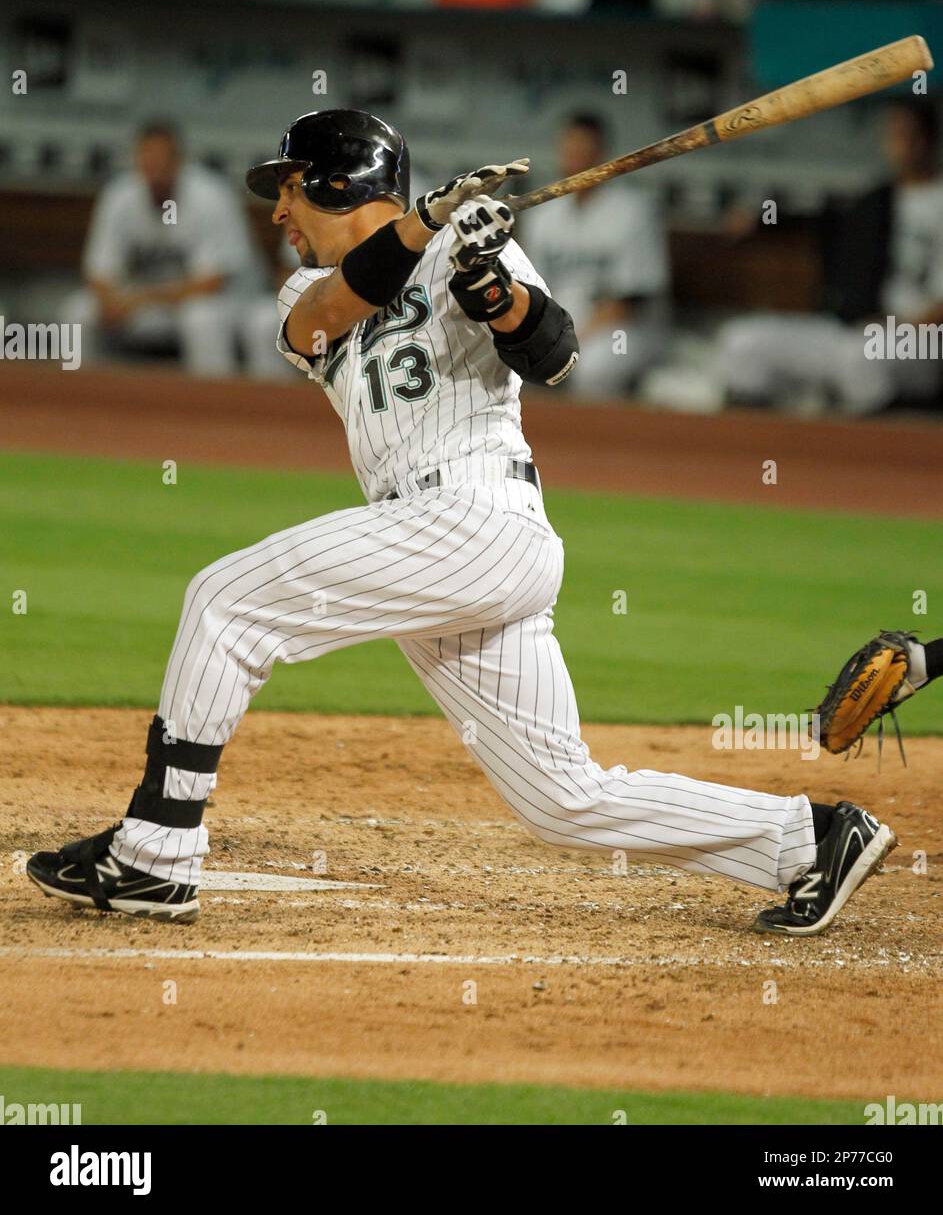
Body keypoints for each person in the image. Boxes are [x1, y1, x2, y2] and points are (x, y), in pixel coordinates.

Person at [27, 108, 935, 938]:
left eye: (292, 188)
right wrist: (425, 229)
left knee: (224, 601)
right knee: (560, 798)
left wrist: (494, 289)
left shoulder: (473, 246)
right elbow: (328, 313)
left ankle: (155, 851)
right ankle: (810, 840)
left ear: (340, 184)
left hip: (475, 513)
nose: (278, 213)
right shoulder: (305, 287)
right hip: (430, 537)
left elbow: (555, 352)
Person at [716, 99, 943, 413]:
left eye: (909, 134)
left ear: (929, 139)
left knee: (860, 358)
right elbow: (821, 219)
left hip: (922, 342)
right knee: (743, 342)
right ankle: (766, 452)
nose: (900, 145)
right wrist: (761, 220)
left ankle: (875, 456)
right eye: (893, 135)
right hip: (853, 329)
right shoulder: (876, 201)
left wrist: (900, 326)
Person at [64, 120, 283, 378]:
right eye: (148, 163)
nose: (155, 173)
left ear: (179, 161)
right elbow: (98, 270)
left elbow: (211, 283)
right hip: (148, 303)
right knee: (78, 310)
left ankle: (212, 405)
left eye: (162, 164)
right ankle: (80, 400)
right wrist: (110, 301)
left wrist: (138, 300)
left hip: (228, 302)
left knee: (202, 318)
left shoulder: (210, 195)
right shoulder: (120, 195)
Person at [524, 112, 670, 398]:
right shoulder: (544, 215)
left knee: (595, 367)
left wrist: (567, 342)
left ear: (602, 155)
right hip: (562, 325)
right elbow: (532, 294)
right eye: (570, 147)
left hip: (623, 331)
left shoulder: (632, 212)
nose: (575, 156)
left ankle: (606, 443)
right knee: (516, 362)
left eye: (584, 149)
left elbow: (628, 304)